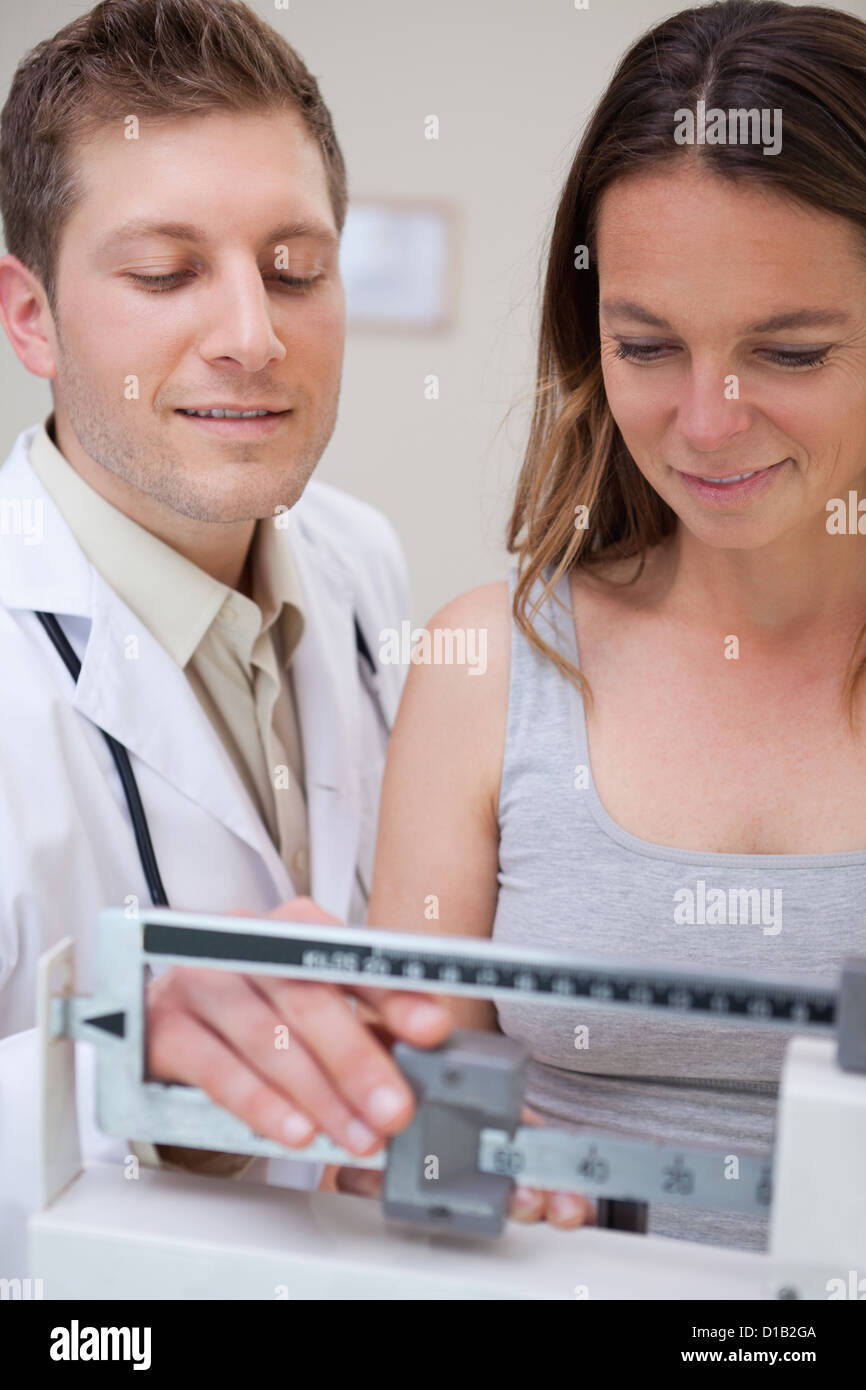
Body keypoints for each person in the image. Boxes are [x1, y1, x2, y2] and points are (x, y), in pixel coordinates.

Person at [0, 0, 574, 1274]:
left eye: (296, 269)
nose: (254, 335)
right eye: (164, 272)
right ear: (30, 315)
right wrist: (105, 1061)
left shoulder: (360, 560)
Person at [336, 0, 866, 1252]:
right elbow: (406, 1149)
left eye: (786, 352)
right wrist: (433, 1171)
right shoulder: (486, 671)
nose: (706, 421)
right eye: (645, 346)